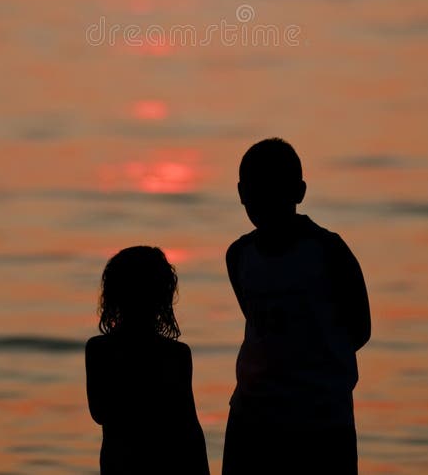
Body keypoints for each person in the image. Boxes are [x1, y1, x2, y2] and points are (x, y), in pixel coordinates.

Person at [222, 137, 371, 475]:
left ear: (298, 192)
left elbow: (360, 329)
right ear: (241, 193)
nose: (263, 198)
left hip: (321, 419)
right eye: (255, 189)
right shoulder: (239, 255)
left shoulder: (329, 252)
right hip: (252, 417)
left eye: (274, 188)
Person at [85, 245, 210, 475]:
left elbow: (99, 413)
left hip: (120, 462)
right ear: (163, 297)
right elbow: (189, 428)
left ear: (114, 296)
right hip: (165, 462)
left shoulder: (100, 349)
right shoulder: (176, 354)